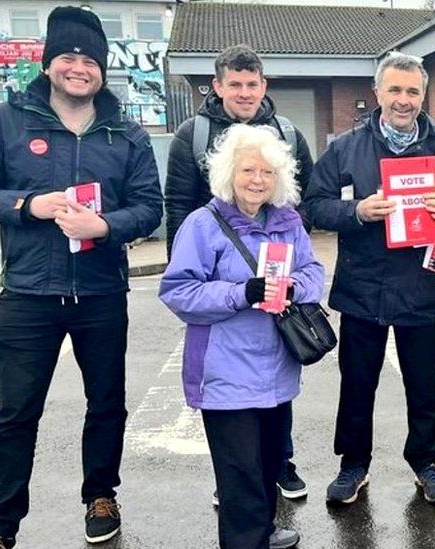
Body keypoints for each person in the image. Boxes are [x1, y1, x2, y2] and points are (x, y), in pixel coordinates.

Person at [0, 7, 163, 548]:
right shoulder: (7, 121)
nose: (79, 68)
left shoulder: (126, 133)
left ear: (102, 70)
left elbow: (148, 207)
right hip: (28, 292)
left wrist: (106, 224)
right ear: (48, 65)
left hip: (100, 292)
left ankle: (101, 493)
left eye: (90, 60)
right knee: (15, 412)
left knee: (107, 402)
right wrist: (26, 204)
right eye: (68, 57)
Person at [303, 51, 435, 506]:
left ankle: (427, 462)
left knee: (424, 384)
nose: (403, 100)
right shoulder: (347, 147)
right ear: (377, 92)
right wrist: (356, 211)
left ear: (423, 95)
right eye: (395, 90)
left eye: (412, 91)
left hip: (421, 287)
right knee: (358, 385)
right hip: (362, 290)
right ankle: (353, 464)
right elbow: (314, 204)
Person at [159, 124, 324, 549]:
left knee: (269, 464)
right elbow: (177, 291)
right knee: (240, 476)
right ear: (229, 174)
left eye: (268, 173)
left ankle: (262, 533)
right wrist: (240, 293)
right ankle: (245, 541)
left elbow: (313, 273)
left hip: (276, 370)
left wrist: (293, 288)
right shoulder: (203, 224)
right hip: (225, 372)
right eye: (249, 170)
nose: (258, 180)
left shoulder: (288, 223)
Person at [164, 44, 314, 502]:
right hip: (219, 272)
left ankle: (278, 466)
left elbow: (302, 199)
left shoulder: (286, 132)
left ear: (263, 86)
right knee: (230, 399)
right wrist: (200, 275)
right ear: (218, 86)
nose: (245, 92)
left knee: (274, 387)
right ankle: (236, 485)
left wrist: (291, 268)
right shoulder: (193, 135)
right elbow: (178, 204)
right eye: (236, 84)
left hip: (273, 281)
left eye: (252, 84)